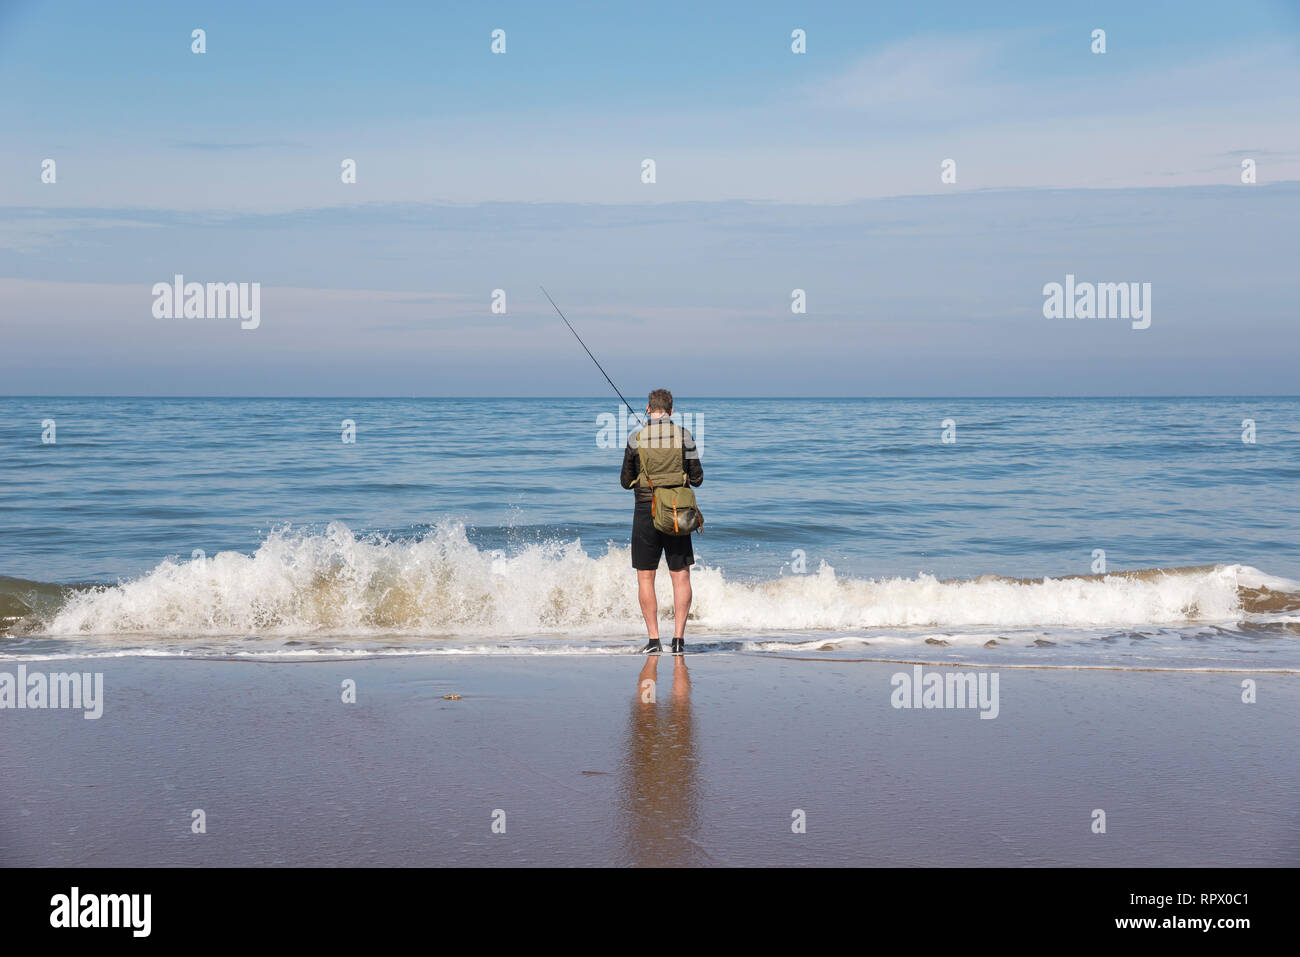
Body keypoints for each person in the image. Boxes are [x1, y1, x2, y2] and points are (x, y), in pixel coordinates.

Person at [619, 389, 704, 655]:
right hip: (677, 512)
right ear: (670, 410)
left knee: (646, 577)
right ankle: (678, 641)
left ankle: (654, 641)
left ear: (648, 409)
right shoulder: (684, 436)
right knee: (680, 576)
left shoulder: (637, 438)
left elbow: (624, 482)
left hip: (646, 510)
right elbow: (698, 478)